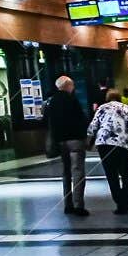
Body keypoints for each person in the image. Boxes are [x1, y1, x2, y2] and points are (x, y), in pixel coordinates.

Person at [87, 88, 128, 212]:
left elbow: (93, 126)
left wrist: (89, 140)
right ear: (119, 97)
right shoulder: (125, 107)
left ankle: (120, 203)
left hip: (104, 143)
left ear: (107, 98)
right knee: (125, 172)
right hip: (122, 143)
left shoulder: (101, 108)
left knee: (111, 175)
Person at [45, 75, 90, 216]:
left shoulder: (51, 101)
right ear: (68, 86)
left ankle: (68, 204)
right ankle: (79, 205)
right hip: (75, 140)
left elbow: (48, 121)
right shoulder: (72, 100)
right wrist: (86, 137)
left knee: (66, 173)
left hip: (60, 141)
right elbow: (81, 119)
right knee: (77, 172)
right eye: (72, 85)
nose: (73, 88)